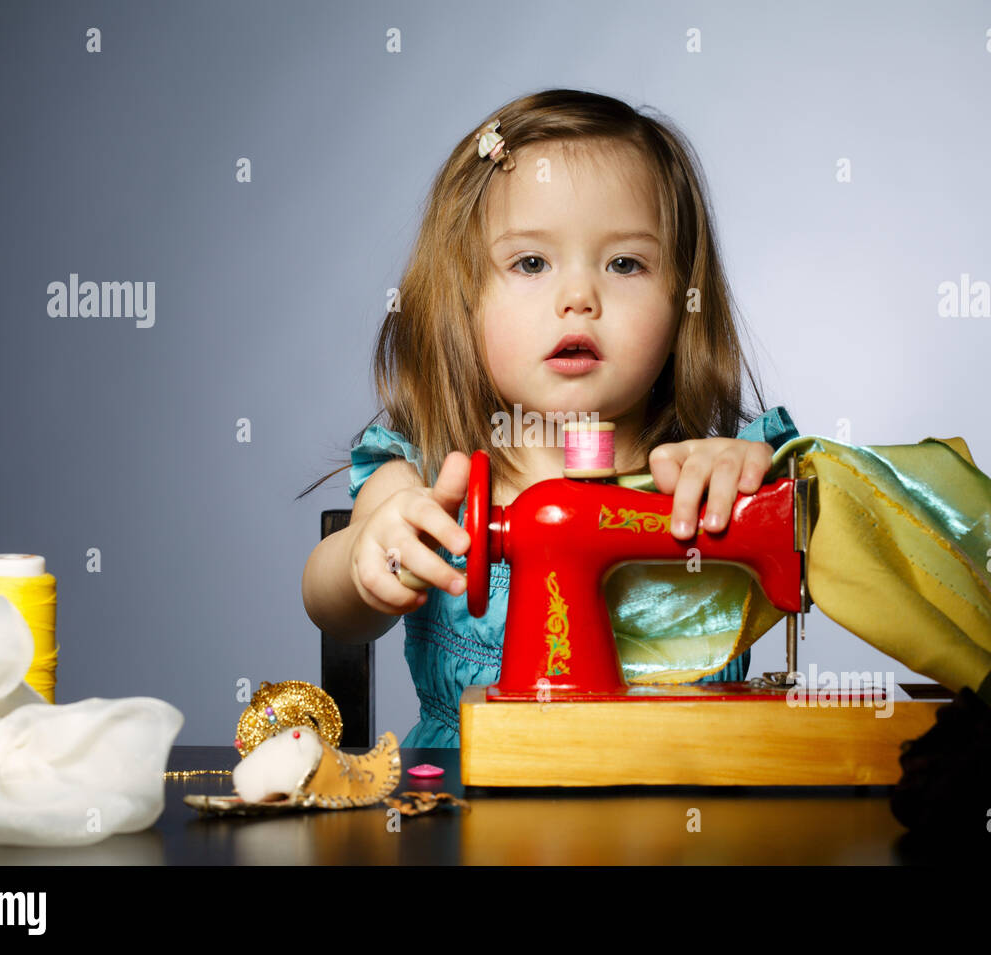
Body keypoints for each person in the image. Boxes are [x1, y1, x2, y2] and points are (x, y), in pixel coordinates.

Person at [300, 89, 800, 747]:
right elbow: (331, 602)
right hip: (473, 808)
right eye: (531, 262)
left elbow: (835, 523)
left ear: (684, 299)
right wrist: (373, 554)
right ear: (464, 297)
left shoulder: (714, 479)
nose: (578, 298)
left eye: (625, 263)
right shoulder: (425, 480)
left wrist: (754, 482)